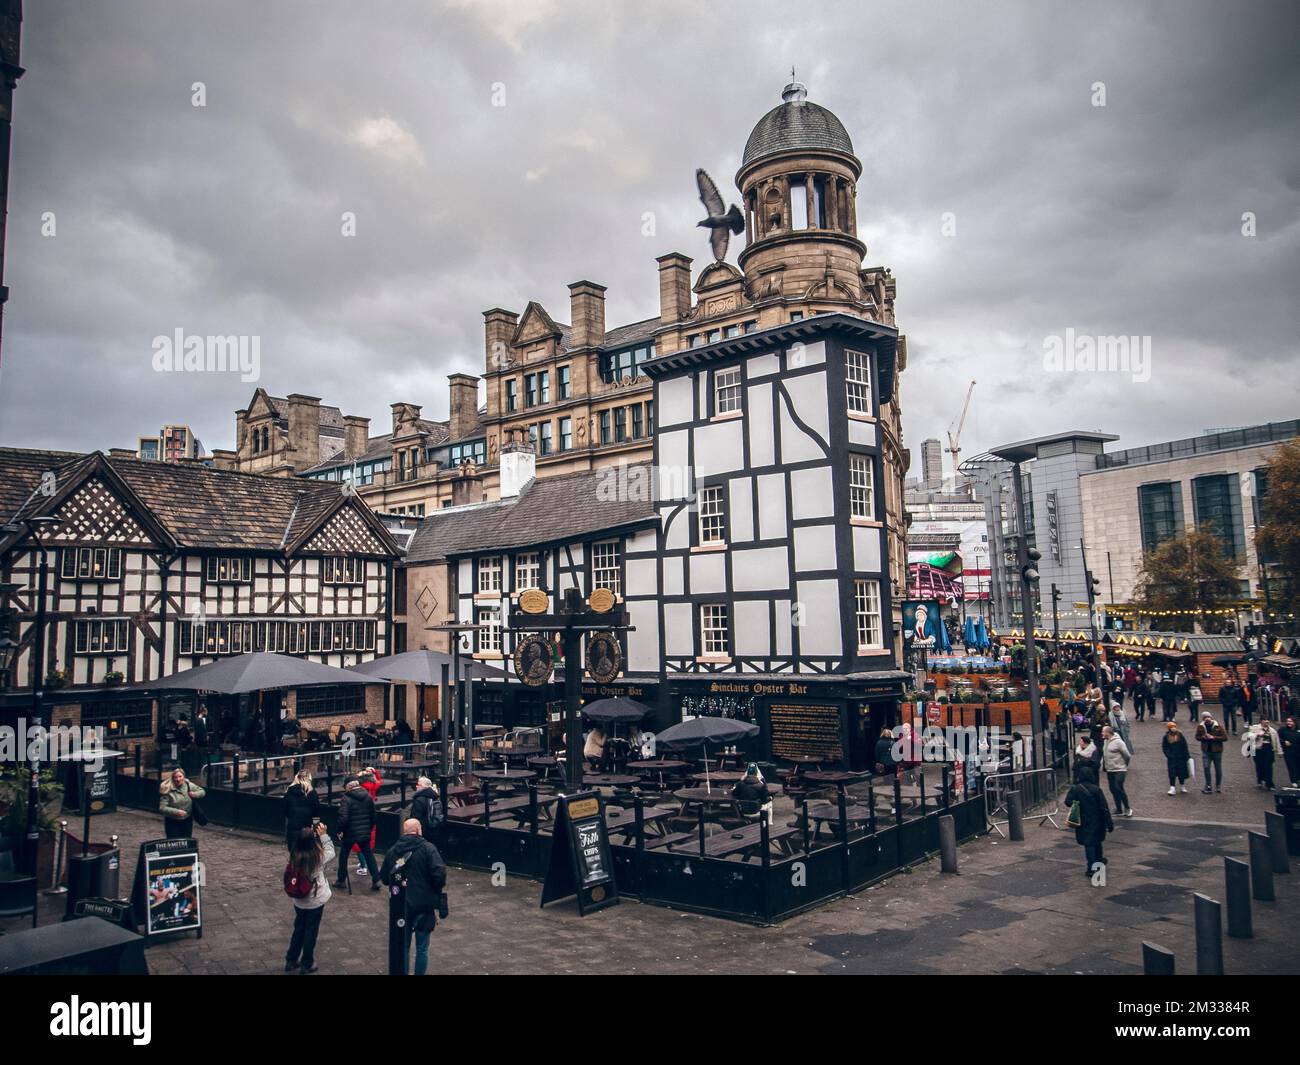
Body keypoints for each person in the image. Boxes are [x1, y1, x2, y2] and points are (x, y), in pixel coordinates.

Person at [379, 818, 448, 977]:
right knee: (422, 947)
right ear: (418, 831)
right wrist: (434, 889)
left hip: (401, 905)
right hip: (424, 904)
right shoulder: (428, 849)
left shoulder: (394, 851)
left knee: (404, 946)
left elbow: (384, 877)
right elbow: (439, 873)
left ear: (405, 831)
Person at [284, 823, 335, 973]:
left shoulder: (294, 855)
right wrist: (324, 835)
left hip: (299, 900)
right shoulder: (317, 857)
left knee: (299, 928)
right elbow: (331, 851)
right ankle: (307, 962)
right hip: (315, 899)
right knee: (310, 931)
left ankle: (291, 959)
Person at [1064, 766, 1113, 883]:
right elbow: (1104, 807)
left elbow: (1067, 802)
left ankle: (1091, 866)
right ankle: (1098, 862)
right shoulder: (1096, 789)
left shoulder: (1075, 789)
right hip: (1097, 819)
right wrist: (1109, 823)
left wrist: (1077, 803)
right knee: (1097, 842)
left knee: (1088, 843)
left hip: (1083, 820)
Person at [335, 778, 380, 889]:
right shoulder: (368, 796)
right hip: (364, 831)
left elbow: (343, 818)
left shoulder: (346, 798)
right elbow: (373, 816)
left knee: (344, 856)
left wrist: (339, 831)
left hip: (349, 833)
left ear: (349, 787)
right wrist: (368, 829)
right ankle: (376, 879)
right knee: (369, 855)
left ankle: (341, 880)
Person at [352, 767, 383, 875]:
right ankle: (365, 864)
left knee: (358, 846)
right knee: (368, 844)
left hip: (360, 815)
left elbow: (352, 781)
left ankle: (364, 866)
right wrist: (375, 771)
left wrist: (359, 774)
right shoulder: (374, 784)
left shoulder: (359, 787)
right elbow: (380, 781)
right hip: (371, 810)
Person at [159, 768, 205, 839]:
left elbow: (202, 792)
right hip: (172, 820)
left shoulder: (188, 785)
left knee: (186, 841)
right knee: (174, 842)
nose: (178, 779)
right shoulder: (167, 789)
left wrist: (195, 794)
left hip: (187, 819)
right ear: (172, 778)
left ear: (184, 777)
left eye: (180, 776)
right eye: (175, 777)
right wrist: (176, 812)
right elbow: (162, 808)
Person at [1101, 725, 1133, 817]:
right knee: (1113, 789)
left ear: (1108, 733)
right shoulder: (1105, 741)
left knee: (1118, 787)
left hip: (1120, 769)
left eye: (1103, 732)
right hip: (1110, 770)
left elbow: (1127, 755)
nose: (1102, 733)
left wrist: (1124, 765)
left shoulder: (1119, 742)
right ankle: (1119, 809)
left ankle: (1127, 808)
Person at [283, 769, 320, 849]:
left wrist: (292, 815)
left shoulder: (289, 791)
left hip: (293, 825)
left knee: (293, 849)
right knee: (306, 849)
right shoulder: (312, 792)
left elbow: (285, 809)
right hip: (307, 825)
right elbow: (316, 811)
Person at [1195, 711, 1228, 794]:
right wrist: (1203, 737)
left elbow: (1224, 738)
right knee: (1206, 768)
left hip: (1217, 751)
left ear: (1211, 717)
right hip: (1206, 751)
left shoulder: (1218, 726)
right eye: (1205, 717)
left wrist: (1214, 737)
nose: (1207, 719)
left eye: (1208, 717)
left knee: (1218, 769)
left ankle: (1218, 785)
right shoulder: (1201, 727)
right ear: (1203, 719)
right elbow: (1197, 737)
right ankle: (1208, 785)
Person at [410, 776, 444, 842]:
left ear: (423, 786)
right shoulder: (435, 797)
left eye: (418, 785)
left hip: (423, 833)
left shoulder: (419, 799)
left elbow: (416, 818)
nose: (416, 786)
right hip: (434, 831)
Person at [1247, 719, 1277, 791]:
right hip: (1258, 749)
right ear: (1261, 721)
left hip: (1269, 749)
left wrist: (1279, 751)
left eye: (1267, 720)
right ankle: (1260, 780)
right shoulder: (1254, 727)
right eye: (1265, 720)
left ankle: (1269, 783)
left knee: (1268, 766)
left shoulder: (1272, 730)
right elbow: (1249, 738)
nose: (1267, 722)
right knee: (1259, 765)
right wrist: (1257, 734)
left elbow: (1276, 740)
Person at [1162, 723, 1191, 794]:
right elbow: (1165, 747)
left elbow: (1185, 746)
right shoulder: (1166, 737)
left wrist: (1187, 756)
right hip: (1172, 758)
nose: (1174, 728)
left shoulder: (1180, 735)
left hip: (1181, 757)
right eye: (1172, 727)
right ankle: (1172, 787)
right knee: (1172, 773)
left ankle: (1182, 786)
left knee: (1182, 772)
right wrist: (1169, 755)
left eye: (1174, 727)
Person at [1279, 715, 1300, 787]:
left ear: (1295, 722)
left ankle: (1298, 779)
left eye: (1290, 721)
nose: (1288, 723)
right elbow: (1277, 738)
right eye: (1288, 721)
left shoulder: (1298, 730)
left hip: (1298, 751)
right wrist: (1284, 741)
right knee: (1291, 766)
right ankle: (1294, 781)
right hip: (1288, 752)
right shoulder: (1283, 730)